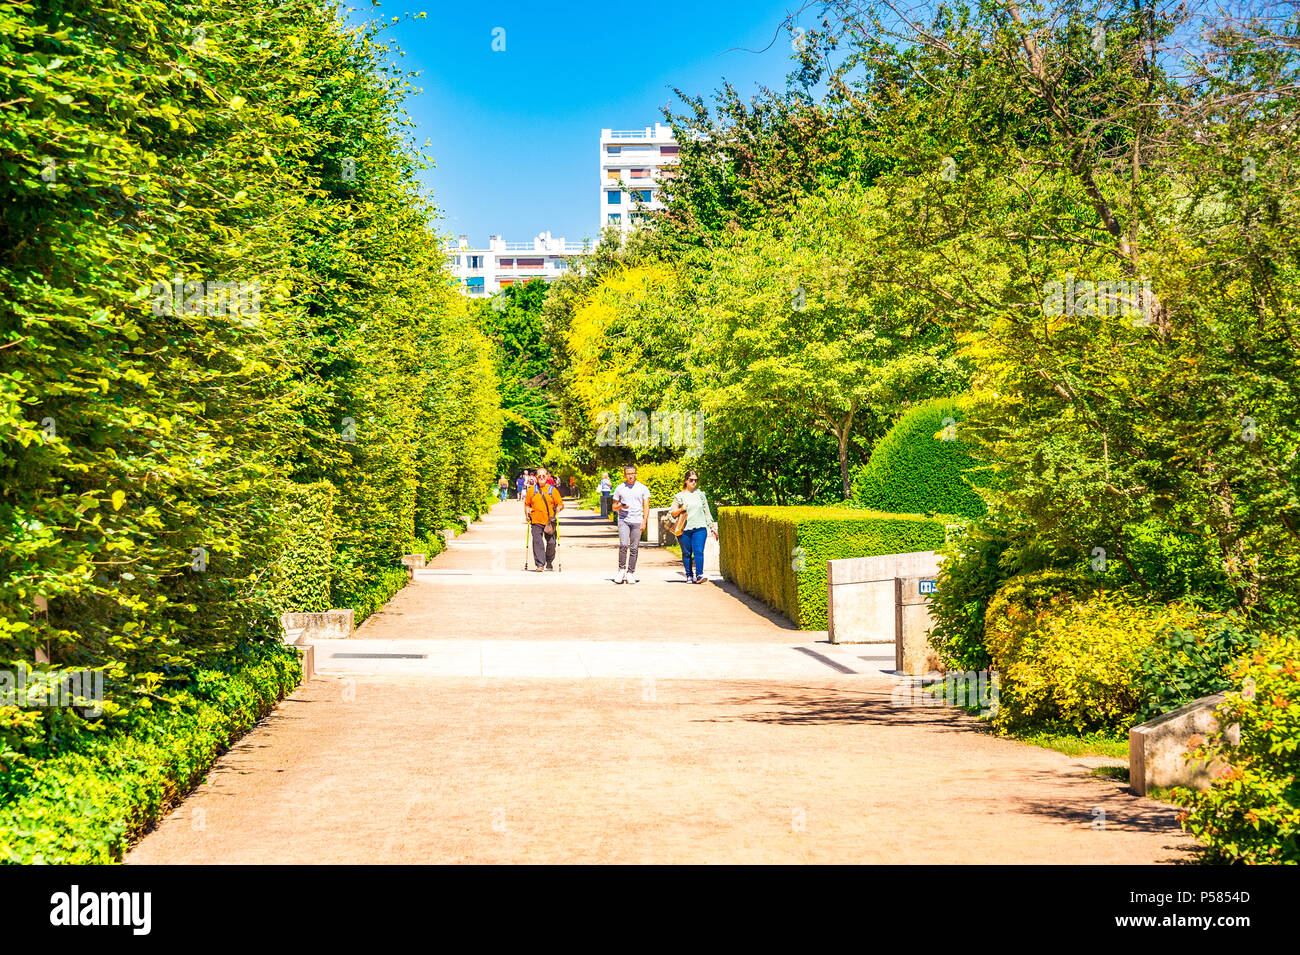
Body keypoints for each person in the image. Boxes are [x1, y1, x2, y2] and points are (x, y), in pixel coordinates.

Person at [670, 470, 717, 583]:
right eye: (691, 480)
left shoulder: (701, 495)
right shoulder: (679, 496)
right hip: (684, 529)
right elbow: (673, 513)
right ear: (686, 480)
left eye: (696, 480)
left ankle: (699, 575)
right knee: (687, 553)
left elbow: (707, 512)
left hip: (700, 528)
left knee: (698, 551)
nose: (693, 482)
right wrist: (681, 509)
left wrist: (712, 527)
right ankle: (689, 575)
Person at [610, 464, 650, 584]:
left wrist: (644, 521)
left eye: (632, 473)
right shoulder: (619, 488)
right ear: (625, 475)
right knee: (623, 544)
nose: (630, 476)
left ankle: (630, 572)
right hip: (624, 519)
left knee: (634, 547)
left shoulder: (643, 488)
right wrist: (621, 506)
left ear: (636, 474)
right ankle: (621, 570)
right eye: (628, 473)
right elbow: (613, 507)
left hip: (637, 520)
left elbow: (646, 506)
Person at [524, 467, 564, 571]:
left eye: (543, 476)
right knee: (537, 542)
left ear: (547, 477)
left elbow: (560, 503)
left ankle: (549, 561)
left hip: (549, 521)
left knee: (551, 543)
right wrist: (527, 515)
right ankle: (540, 564)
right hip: (536, 520)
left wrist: (558, 509)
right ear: (536, 477)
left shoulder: (552, 490)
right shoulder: (531, 490)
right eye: (539, 476)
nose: (541, 477)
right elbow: (527, 504)